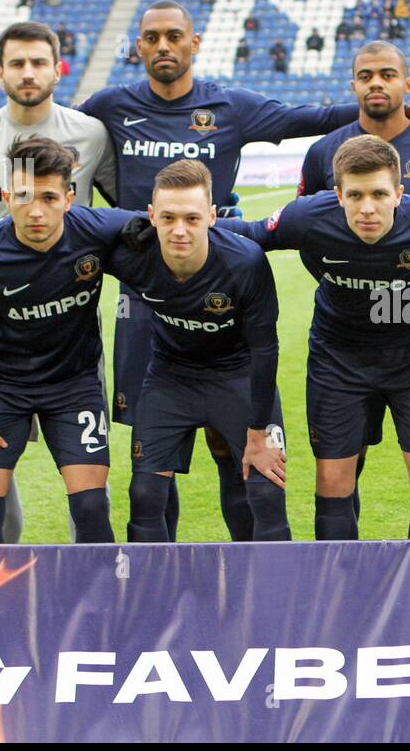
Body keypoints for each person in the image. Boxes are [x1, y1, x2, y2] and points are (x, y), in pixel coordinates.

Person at [0, 0, 410, 541]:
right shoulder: (108, 108)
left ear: (194, 43)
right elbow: (38, 112)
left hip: (216, 273)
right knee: (152, 467)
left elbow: (311, 117)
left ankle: (252, 572)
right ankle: (156, 578)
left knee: (236, 459)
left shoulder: (230, 107)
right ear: (139, 47)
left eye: (175, 36)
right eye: (152, 38)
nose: (164, 47)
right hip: (144, 297)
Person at [219, 135, 410, 540]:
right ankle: (341, 594)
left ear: (399, 193)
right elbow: (248, 232)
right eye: (355, 195)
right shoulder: (308, 216)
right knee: (333, 483)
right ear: (337, 194)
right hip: (338, 360)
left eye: (378, 194)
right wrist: (180, 223)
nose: (367, 207)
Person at [0, 21, 116, 543]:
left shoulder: (90, 133)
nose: (28, 72)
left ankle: (93, 596)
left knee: (89, 496)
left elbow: (120, 212)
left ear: (57, 68)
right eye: (16, 63)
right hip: (4, 331)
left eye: (39, 62)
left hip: (75, 329)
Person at [297, 41, 410, 535]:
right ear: (353, 84)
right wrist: (358, 283)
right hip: (344, 335)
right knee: (340, 461)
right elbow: (311, 235)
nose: (377, 83)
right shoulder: (323, 152)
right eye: (367, 75)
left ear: (407, 84)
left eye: (388, 74)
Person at [108, 160, 289, 542]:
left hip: (237, 374)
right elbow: (77, 225)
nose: (179, 230)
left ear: (211, 216)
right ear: (151, 216)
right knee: (144, 494)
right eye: (168, 218)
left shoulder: (245, 262)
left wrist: (258, 433)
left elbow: (265, 349)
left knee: (266, 491)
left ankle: (271, 596)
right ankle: (151, 596)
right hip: (170, 376)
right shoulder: (131, 256)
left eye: (191, 218)